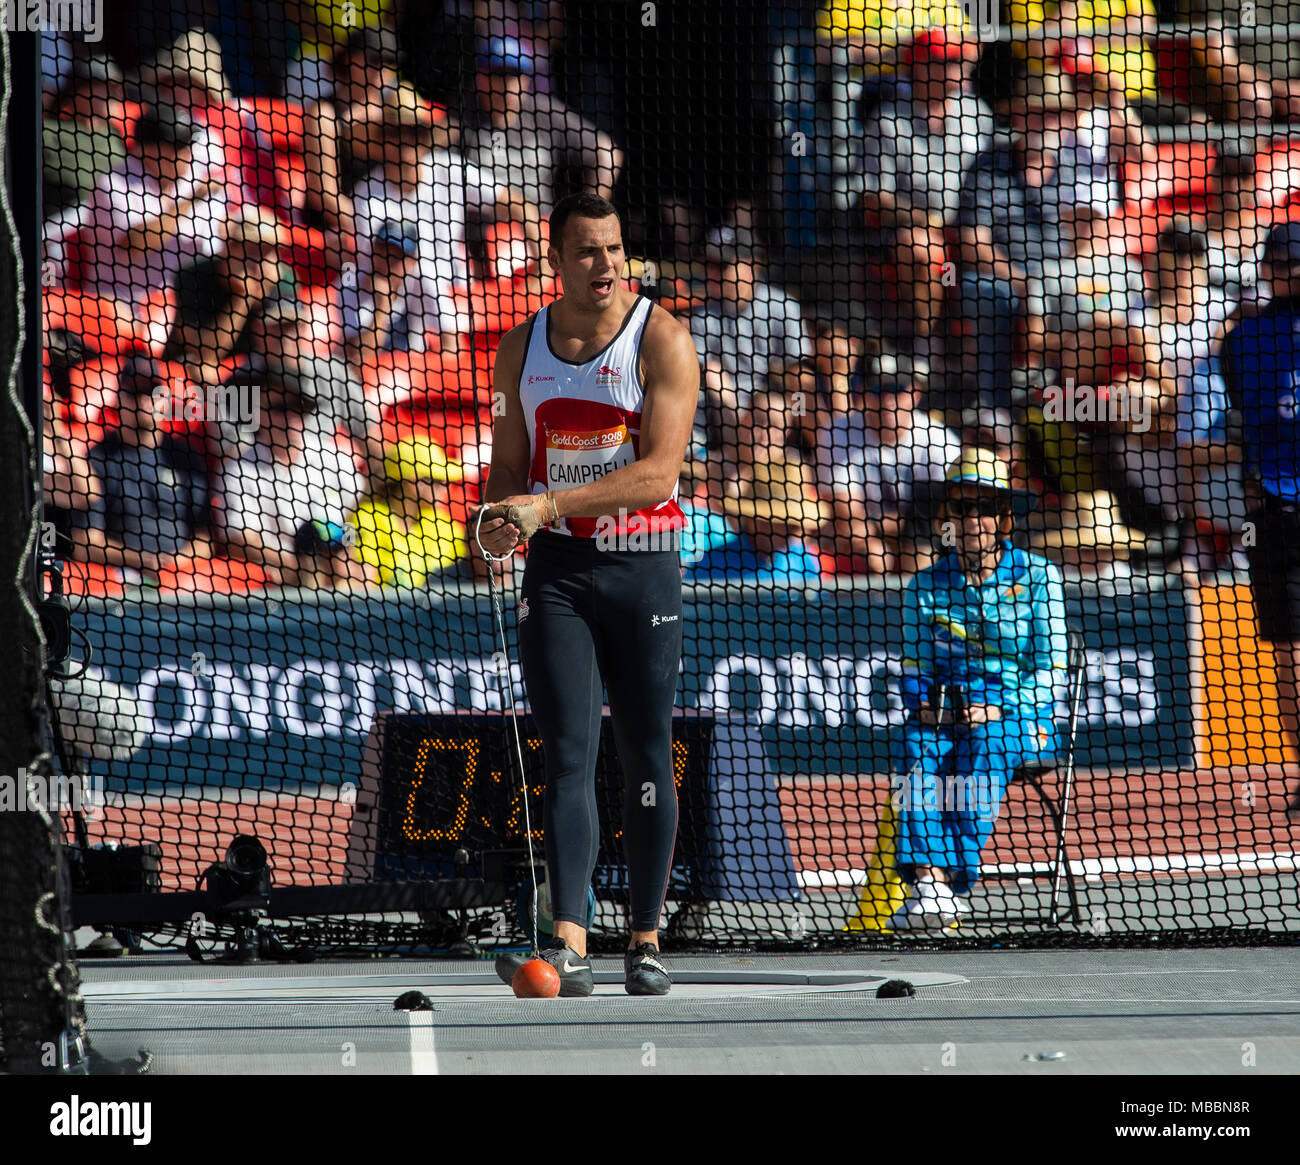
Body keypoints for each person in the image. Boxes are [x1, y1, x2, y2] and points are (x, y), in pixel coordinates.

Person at [475, 192, 699, 996]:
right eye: (587, 252)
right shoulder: (520, 347)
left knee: (645, 747)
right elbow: (509, 462)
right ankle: (568, 939)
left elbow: (658, 475)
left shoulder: (662, 338)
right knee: (566, 752)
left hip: (643, 561)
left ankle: (644, 936)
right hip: (559, 572)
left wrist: (547, 505)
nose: (605, 265)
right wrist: (500, 518)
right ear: (557, 260)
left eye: (614, 248)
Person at [890, 448, 1069, 928]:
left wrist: (1000, 706)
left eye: (986, 508)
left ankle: (948, 881)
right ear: (946, 517)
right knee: (915, 745)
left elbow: (1051, 670)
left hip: (1018, 716)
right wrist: (923, 702)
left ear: (1005, 518)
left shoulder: (1039, 577)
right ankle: (927, 883)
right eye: (962, 508)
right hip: (947, 712)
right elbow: (913, 661)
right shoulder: (923, 586)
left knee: (987, 746)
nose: (974, 520)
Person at [1218, 222, 1300, 814]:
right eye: (1282, 264)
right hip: (1274, 513)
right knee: (1286, 647)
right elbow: (1256, 418)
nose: (1290, 274)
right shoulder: (1245, 339)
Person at [68, 356, 213, 581]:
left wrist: (176, 564)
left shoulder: (186, 458)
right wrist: (139, 560)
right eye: (135, 393)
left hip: (184, 584)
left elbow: (205, 539)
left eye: (153, 393)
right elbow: (85, 542)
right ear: (119, 400)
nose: (144, 401)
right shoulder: (97, 460)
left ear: (165, 400)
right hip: (122, 582)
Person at [457, 36, 624, 215]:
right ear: (480, 77)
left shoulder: (544, 114)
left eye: (514, 74)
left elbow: (607, 153)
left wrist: (587, 215)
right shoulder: (463, 115)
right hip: (479, 234)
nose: (507, 83)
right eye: (499, 73)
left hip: (538, 233)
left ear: (525, 80)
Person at [686, 457, 828, 584]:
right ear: (757, 522)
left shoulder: (803, 560)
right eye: (786, 524)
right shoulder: (712, 564)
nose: (797, 530)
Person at [349, 437, 467, 588]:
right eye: (438, 481)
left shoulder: (445, 527)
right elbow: (360, 584)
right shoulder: (366, 519)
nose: (445, 489)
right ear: (414, 482)